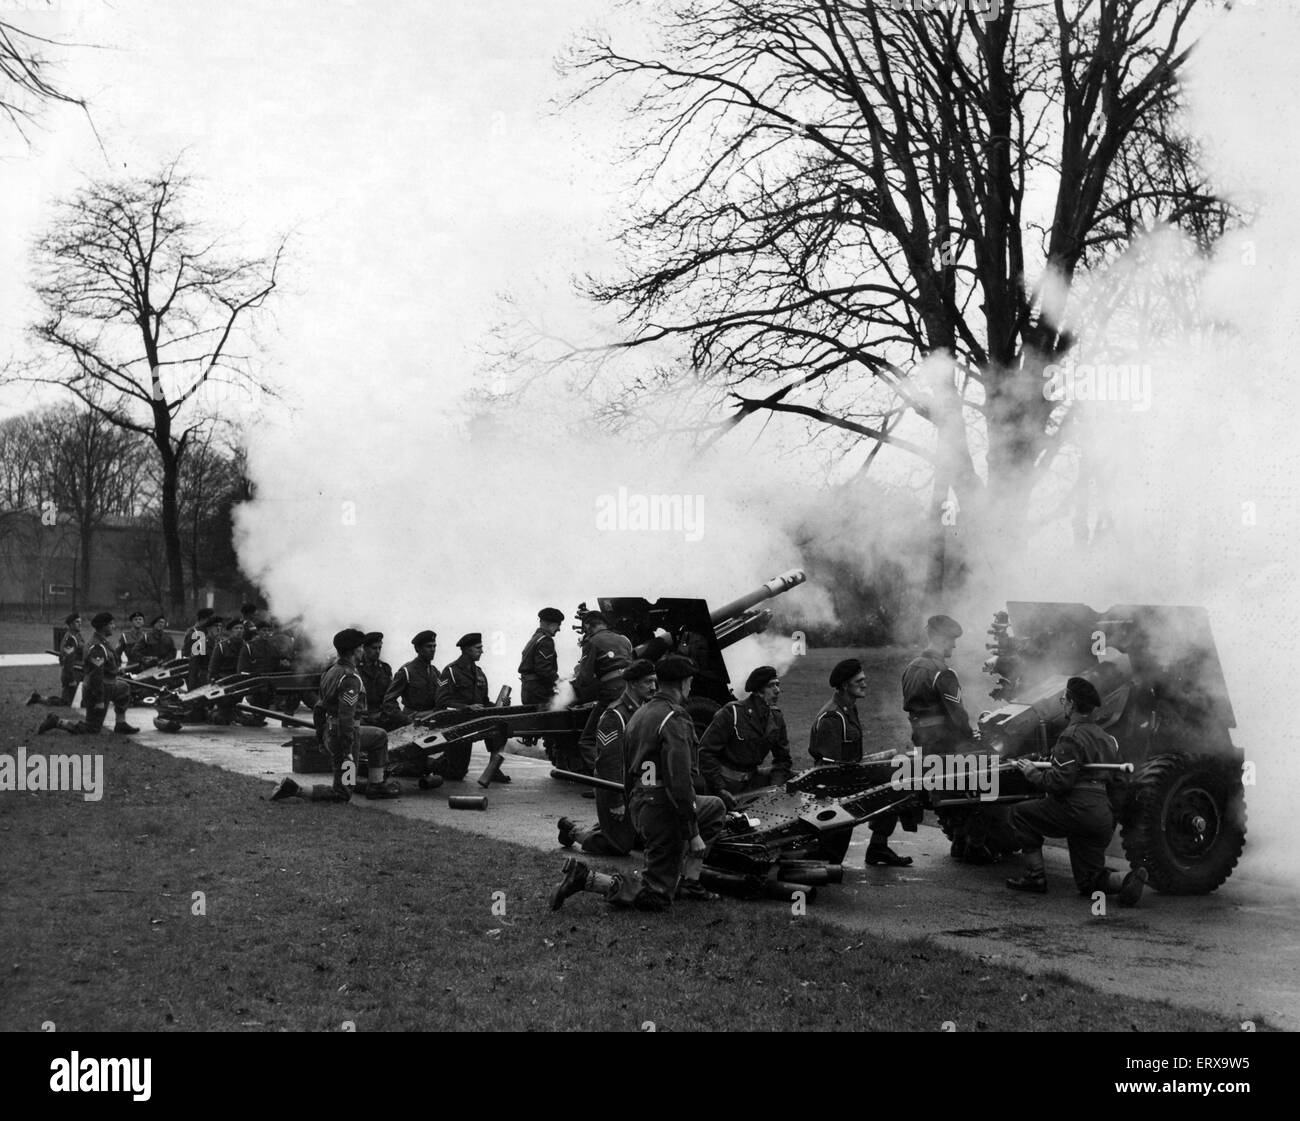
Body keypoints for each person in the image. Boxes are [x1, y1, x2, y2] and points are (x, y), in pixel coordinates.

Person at [549, 655, 726, 911]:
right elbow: (679, 782)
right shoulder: (674, 718)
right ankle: (587, 879)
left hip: (645, 802)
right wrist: (693, 833)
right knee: (657, 895)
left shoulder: (641, 713)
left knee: (715, 807)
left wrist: (634, 806)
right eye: (690, 681)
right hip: (664, 806)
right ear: (684, 682)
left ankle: (690, 880)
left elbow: (629, 768)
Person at [1005, 676, 1147, 905]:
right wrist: (1108, 814)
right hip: (1101, 814)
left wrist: (1033, 774)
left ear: (1071, 704)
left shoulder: (1070, 736)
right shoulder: (1108, 739)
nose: (1063, 704)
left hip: (1075, 808)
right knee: (1088, 882)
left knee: (1019, 814)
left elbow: (1059, 783)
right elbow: (1120, 783)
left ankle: (1035, 877)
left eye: (1064, 700)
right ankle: (1127, 880)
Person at [270, 628, 399, 803]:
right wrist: (347, 749)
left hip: (331, 731)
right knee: (342, 794)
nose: (363, 650)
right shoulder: (350, 678)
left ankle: (375, 784)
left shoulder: (331, 671)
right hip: (345, 736)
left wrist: (320, 736)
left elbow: (318, 708)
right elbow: (347, 716)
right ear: (354, 651)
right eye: (361, 647)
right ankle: (294, 789)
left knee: (379, 736)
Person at [810, 657, 913, 867]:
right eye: (859, 681)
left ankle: (878, 846)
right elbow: (830, 771)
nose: (865, 684)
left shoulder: (848, 708)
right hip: (836, 787)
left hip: (849, 776)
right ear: (844, 685)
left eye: (864, 679)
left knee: (897, 775)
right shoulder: (832, 717)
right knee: (830, 859)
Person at [556, 659, 658, 856]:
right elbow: (608, 762)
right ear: (633, 683)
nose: (653, 687)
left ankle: (607, 828)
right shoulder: (615, 715)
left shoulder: (643, 711)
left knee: (640, 839)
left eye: (655, 681)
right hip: (613, 787)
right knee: (619, 846)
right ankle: (572, 831)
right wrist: (615, 801)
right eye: (648, 682)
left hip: (634, 788)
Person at [698, 665, 792, 801]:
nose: (777, 690)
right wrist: (719, 788)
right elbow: (705, 752)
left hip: (752, 781)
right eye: (771, 686)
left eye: (778, 685)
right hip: (726, 784)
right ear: (759, 691)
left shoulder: (776, 717)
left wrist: (775, 787)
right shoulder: (732, 713)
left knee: (797, 778)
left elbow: (783, 759)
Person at [39, 612, 138, 736]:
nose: (114, 626)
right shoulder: (97, 647)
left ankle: (121, 724)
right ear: (103, 626)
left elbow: (108, 664)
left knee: (123, 688)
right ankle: (57, 722)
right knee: (92, 729)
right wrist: (99, 699)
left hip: (110, 685)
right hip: (97, 688)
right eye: (111, 624)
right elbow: (96, 676)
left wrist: (116, 671)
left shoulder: (103, 642)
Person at [436, 633, 509, 782]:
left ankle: (493, 768)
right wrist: (466, 708)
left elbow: (484, 702)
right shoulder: (451, 671)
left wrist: (498, 706)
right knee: (456, 774)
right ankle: (429, 764)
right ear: (466, 649)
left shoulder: (480, 673)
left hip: (475, 720)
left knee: (500, 723)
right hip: (459, 722)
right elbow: (442, 701)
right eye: (478, 648)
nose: (482, 651)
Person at [572, 610, 634, 773]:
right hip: (630, 691)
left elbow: (584, 679)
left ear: (587, 626)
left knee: (588, 741)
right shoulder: (624, 640)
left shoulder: (592, 641)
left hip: (611, 692)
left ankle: (602, 785)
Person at [382, 630, 440, 724]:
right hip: (413, 721)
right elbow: (389, 701)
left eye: (434, 646)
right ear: (417, 649)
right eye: (429, 646)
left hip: (432, 718)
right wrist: (404, 719)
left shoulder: (435, 672)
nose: (433, 649)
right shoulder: (406, 671)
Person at [357, 632, 403, 730]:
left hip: (383, 717)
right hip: (364, 719)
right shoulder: (356, 669)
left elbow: (390, 696)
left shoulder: (385, 668)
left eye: (379, 648)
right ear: (365, 649)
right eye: (374, 648)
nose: (377, 651)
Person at [207, 619, 246, 725]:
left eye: (241, 628)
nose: (239, 631)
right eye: (236, 628)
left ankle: (232, 712)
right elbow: (213, 668)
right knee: (221, 719)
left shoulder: (246, 647)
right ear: (230, 631)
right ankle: (218, 712)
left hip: (240, 681)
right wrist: (212, 684)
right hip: (224, 682)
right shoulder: (221, 647)